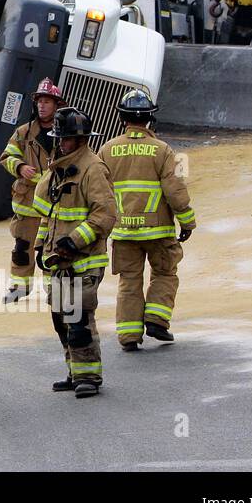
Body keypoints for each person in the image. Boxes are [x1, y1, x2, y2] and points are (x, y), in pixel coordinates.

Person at [98, 89, 198, 351]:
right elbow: (175, 191)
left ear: (122, 118)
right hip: (158, 231)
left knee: (129, 281)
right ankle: (156, 320)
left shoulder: (107, 150)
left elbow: (97, 192)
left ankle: (129, 336)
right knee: (165, 272)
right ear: (150, 119)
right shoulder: (163, 150)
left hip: (123, 233)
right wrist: (187, 223)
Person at [33, 108, 117, 398]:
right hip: (58, 262)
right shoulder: (57, 170)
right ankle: (74, 371)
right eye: (59, 139)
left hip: (85, 261)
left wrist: (74, 241)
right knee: (60, 318)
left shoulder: (94, 169)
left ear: (79, 140)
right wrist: (39, 246)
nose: (61, 144)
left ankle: (89, 377)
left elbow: (105, 214)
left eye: (65, 139)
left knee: (78, 318)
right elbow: (49, 215)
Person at [0, 78, 62, 303]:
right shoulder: (24, 133)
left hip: (54, 206)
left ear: (56, 104)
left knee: (51, 250)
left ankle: (53, 292)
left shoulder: (66, 132)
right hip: (26, 205)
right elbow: (6, 157)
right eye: (39, 101)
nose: (42, 106)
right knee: (22, 248)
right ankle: (19, 287)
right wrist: (20, 166)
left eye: (47, 101)